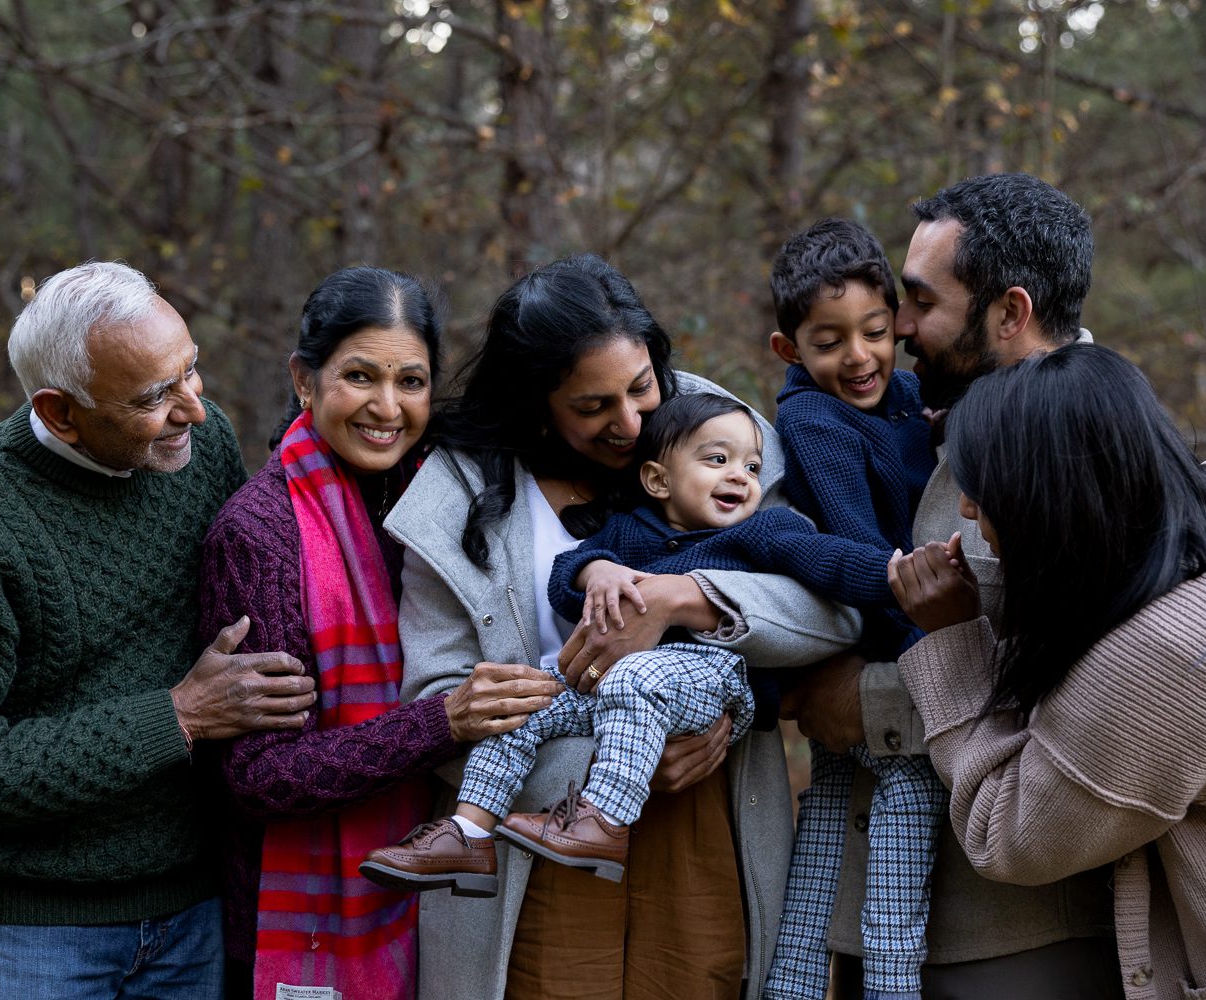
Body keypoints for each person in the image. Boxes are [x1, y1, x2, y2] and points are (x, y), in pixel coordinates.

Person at [388, 254, 863, 999]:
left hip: (702, 818)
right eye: (593, 407)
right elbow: (437, 693)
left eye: (641, 387)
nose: (632, 423)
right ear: (538, 403)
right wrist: (615, 757)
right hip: (531, 834)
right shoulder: (459, 489)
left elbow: (828, 606)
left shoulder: (716, 434)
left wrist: (686, 602)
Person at [0, 260, 318, 1000]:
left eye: (191, 371)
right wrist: (176, 716)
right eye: (154, 396)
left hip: (195, 908)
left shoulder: (201, 449)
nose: (195, 411)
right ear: (59, 413)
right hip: (28, 929)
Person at [779, 173, 1123, 998]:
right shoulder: (944, 409)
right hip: (889, 906)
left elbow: (1091, 674)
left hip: (1011, 926)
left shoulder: (1080, 440)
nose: (896, 329)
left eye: (919, 303)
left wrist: (868, 703)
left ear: (1009, 313)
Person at [887, 342, 1206, 999]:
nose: (965, 509)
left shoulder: (1163, 659)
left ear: (1050, 500)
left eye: (984, 488)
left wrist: (956, 643)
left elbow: (1009, 835)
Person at [196, 266, 561, 1000]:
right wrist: (445, 719)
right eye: (359, 376)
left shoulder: (446, 494)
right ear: (304, 379)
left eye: (411, 381)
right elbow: (261, 776)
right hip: (293, 919)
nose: (387, 407)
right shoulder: (260, 534)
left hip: (432, 901)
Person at [362, 392, 895, 891]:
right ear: (659, 480)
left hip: (714, 675)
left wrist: (896, 573)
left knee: (637, 674)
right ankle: (469, 834)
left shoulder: (762, 532)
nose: (740, 476)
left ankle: (604, 821)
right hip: (616, 687)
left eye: (752, 467)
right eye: (717, 460)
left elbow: (831, 562)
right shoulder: (625, 532)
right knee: (526, 707)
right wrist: (596, 572)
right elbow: (565, 574)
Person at [762, 219, 941, 1000]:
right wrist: (936, 652)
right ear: (789, 349)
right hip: (874, 630)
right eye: (829, 341)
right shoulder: (813, 420)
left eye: (875, 332)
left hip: (891, 642)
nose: (859, 356)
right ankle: (887, 985)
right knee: (905, 790)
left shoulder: (904, 395)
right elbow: (859, 548)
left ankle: (798, 983)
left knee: (831, 813)